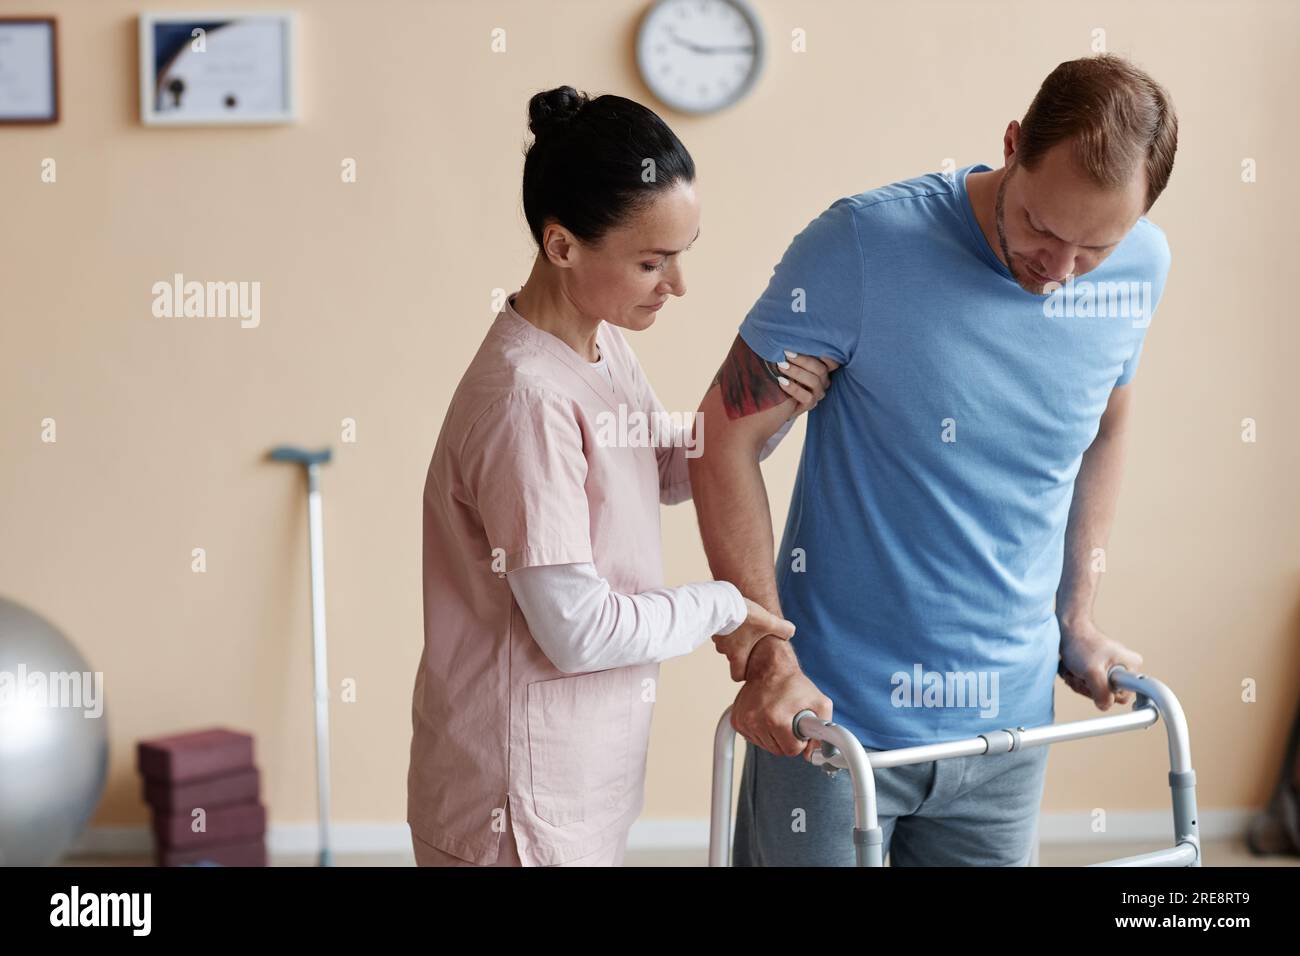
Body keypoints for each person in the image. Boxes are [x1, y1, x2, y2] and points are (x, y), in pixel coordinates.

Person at [687, 53, 1178, 866]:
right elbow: (723, 436)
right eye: (1041, 228)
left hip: (1009, 730)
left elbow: (1106, 426)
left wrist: (1077, 617)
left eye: (1092, 249)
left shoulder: (1145, 265)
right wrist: (765, 654)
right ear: (1013, 145)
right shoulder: (863, 245)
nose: (1056, 271)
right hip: (832, 722)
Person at [407, 86, 839, 867]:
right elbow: (577, 631)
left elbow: (651, 463)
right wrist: (723, 605)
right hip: (512, 802)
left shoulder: (597, 346)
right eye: (651, 262)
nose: (676, 286)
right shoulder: (524, 399)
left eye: (683, 254)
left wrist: (765, 415)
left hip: (574, 775)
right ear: (562, 245)